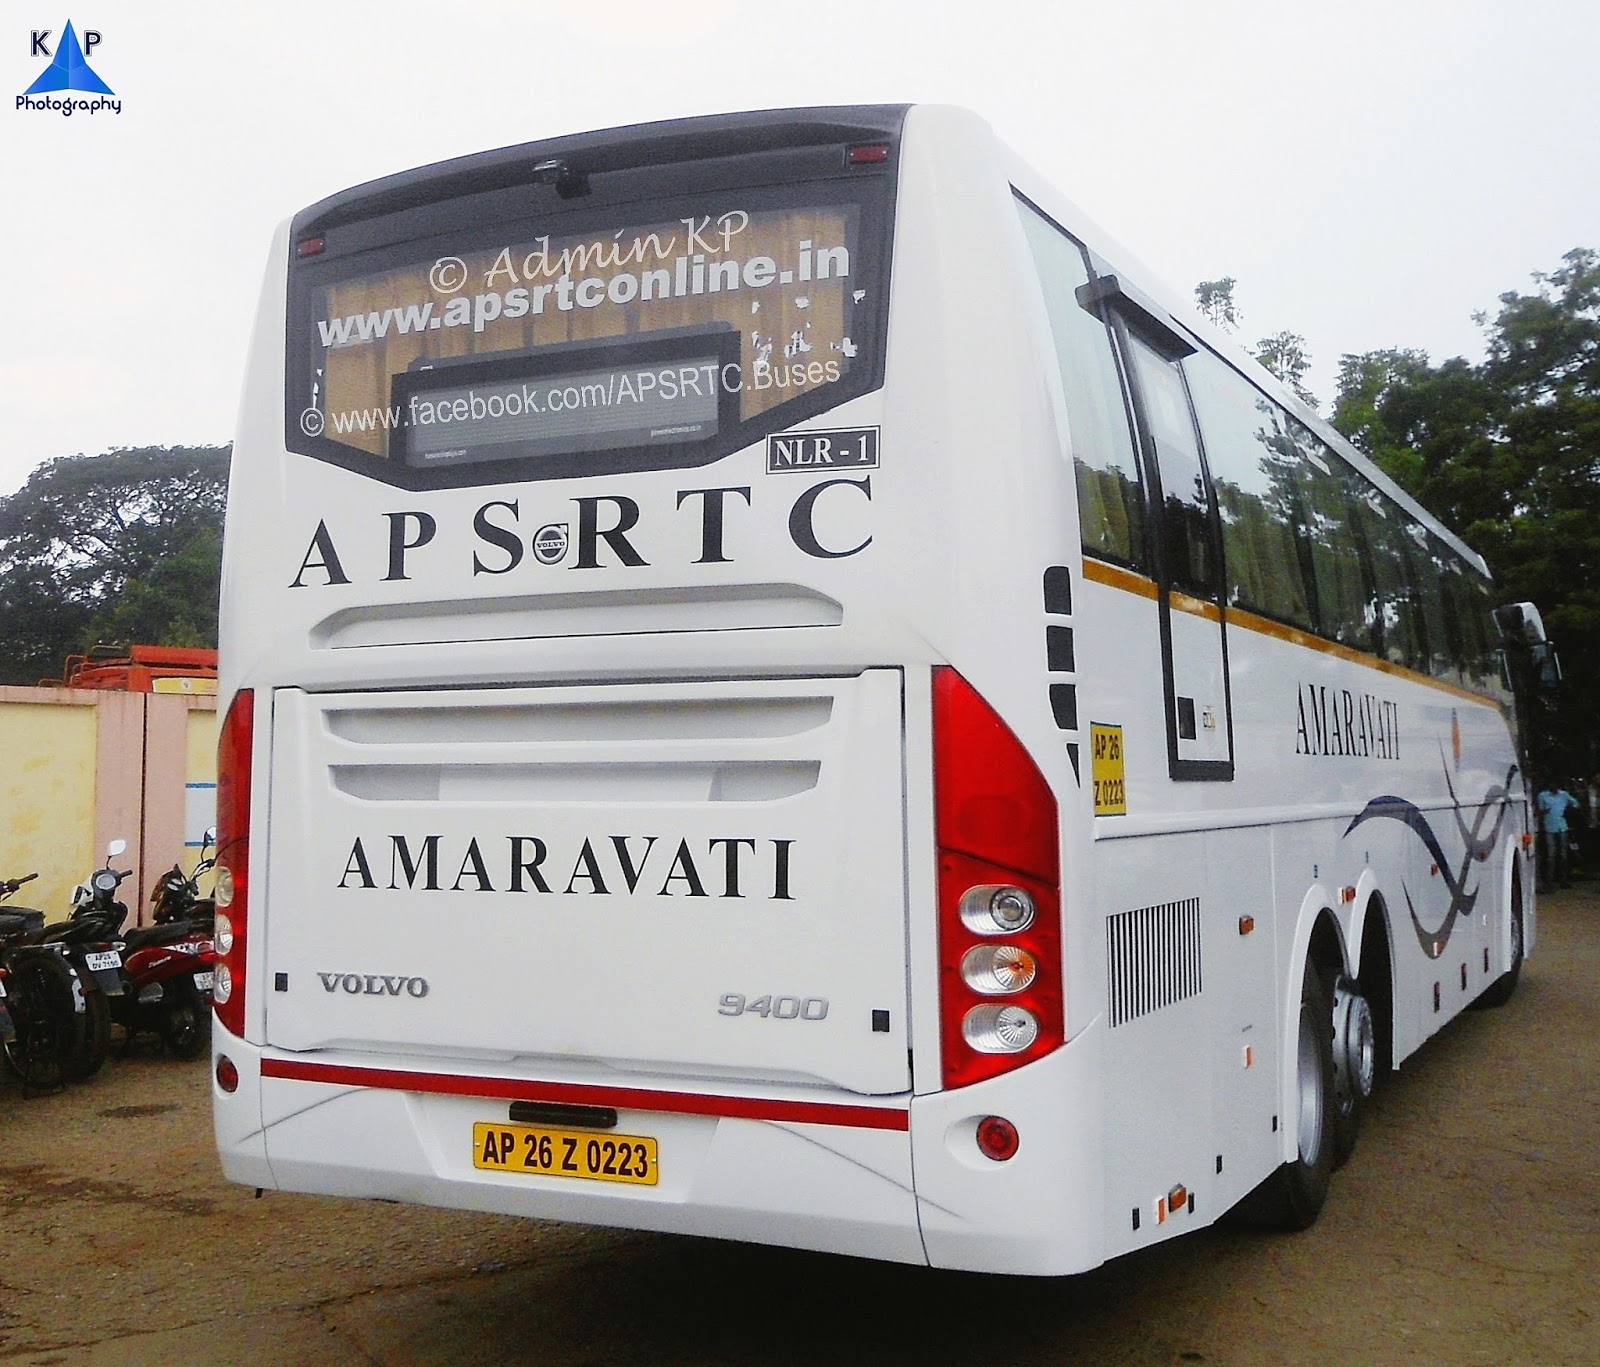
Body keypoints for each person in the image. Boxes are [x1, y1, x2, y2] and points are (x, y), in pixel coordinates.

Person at [1536, 781, 1580, 890]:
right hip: (1549, 827)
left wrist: (1569, 809)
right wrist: (1544, 812)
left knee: (1563, 854)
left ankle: (1563, 880)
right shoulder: (1542, 795)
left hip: (1561, 826)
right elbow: (1540, 810)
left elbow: (1576, 803)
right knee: (1551, 855)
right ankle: (1549, 881)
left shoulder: (1564, 795)